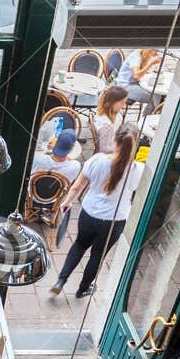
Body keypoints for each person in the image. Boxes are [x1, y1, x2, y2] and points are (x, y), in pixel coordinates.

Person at [49, 128, 141, 299]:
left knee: (79, 245)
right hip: (114, 220)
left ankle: (60, 281)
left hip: (89, 213)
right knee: (98, 255)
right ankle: (83, 289)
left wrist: (67, 202)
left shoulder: (97, 160)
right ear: (134, 145)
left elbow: (78, 185)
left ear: (115, 140)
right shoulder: (137, 170)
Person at [91, 84, 128, 154]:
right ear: (112, 103)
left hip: (114, 139)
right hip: (110, 153)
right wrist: (122, 147)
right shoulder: (106, 125)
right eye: (122, 103)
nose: (124, 105)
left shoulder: (106, 110)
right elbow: (104, 149)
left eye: (125, 102)